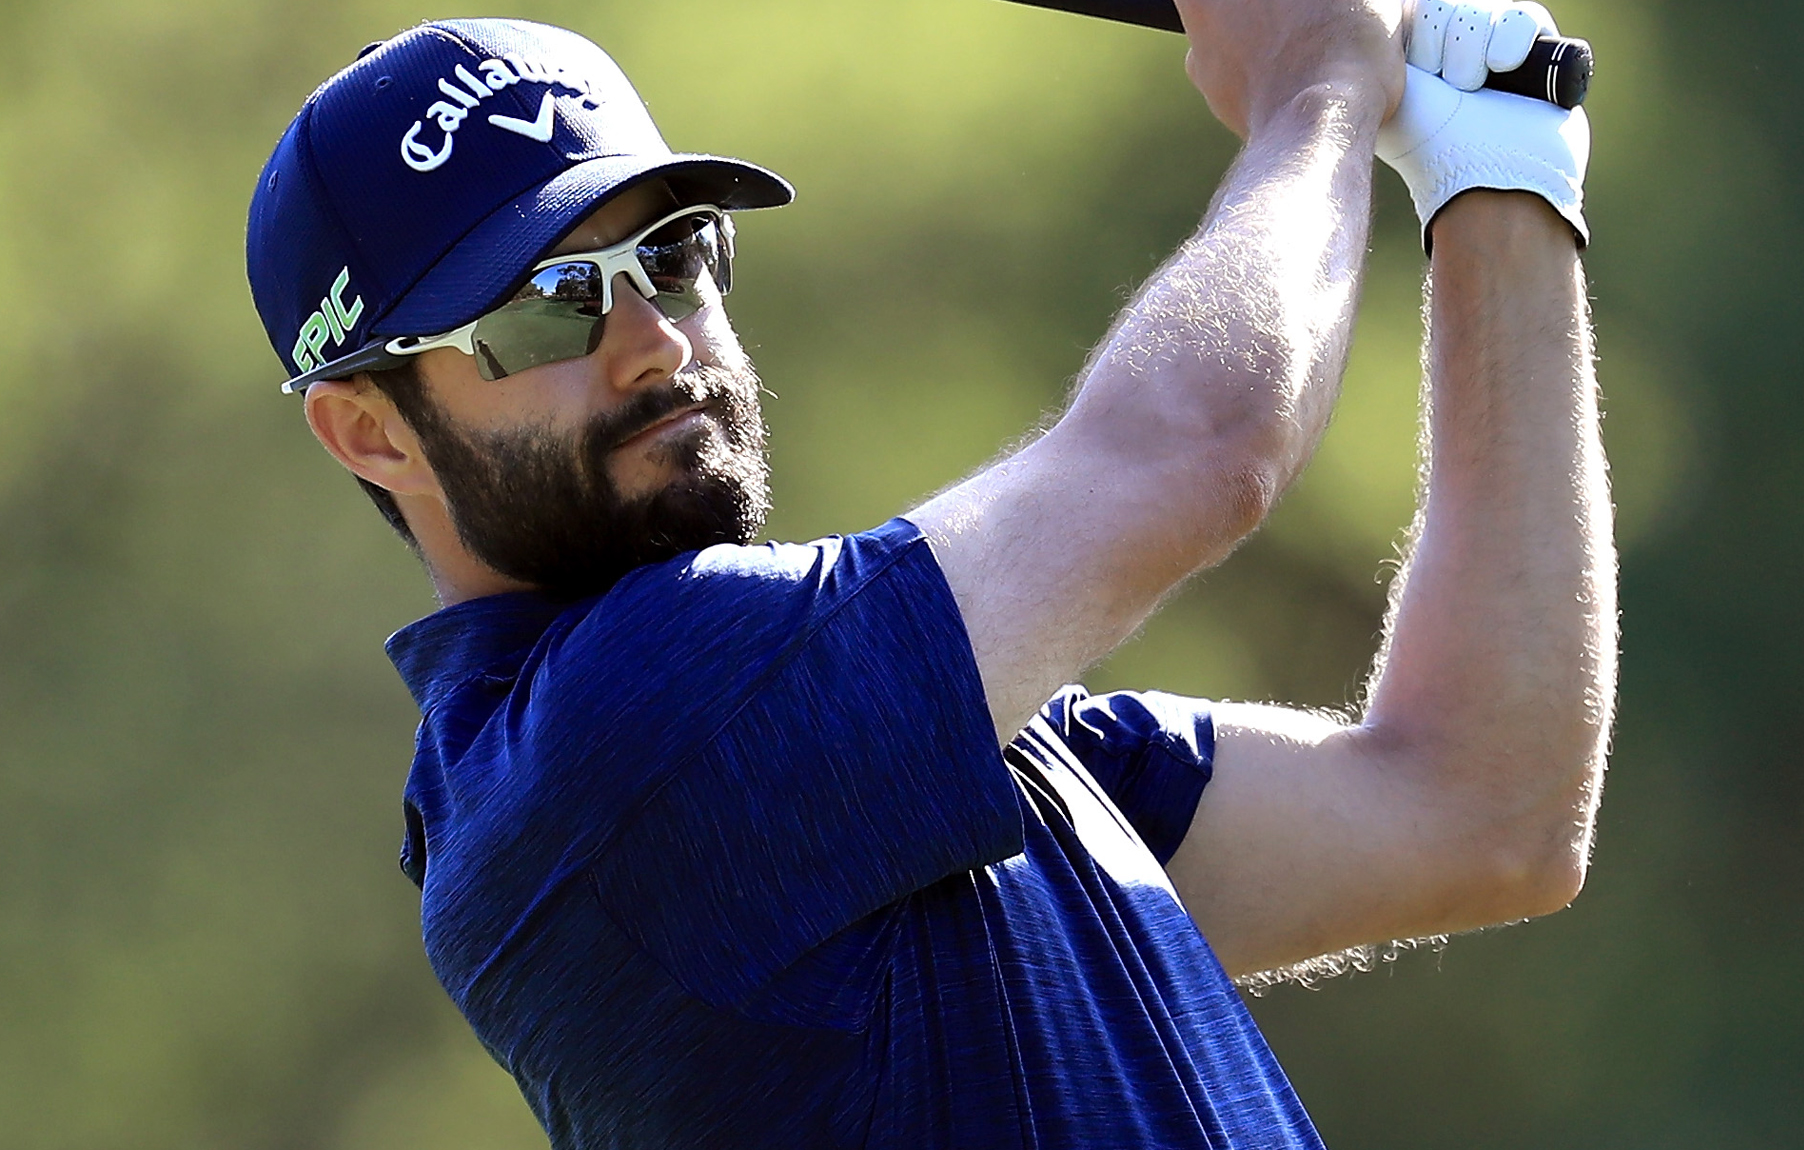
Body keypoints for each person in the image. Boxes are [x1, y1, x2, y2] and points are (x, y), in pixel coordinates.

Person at [244, 0, 1611, 1144]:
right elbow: (1198, 452)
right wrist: (1316, 79)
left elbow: (1483, 806)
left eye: (675, 252)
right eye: (552, 303)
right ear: (371, 431)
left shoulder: (851, 722)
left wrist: (1498, 174)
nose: (656, 338)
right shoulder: (629, 738)